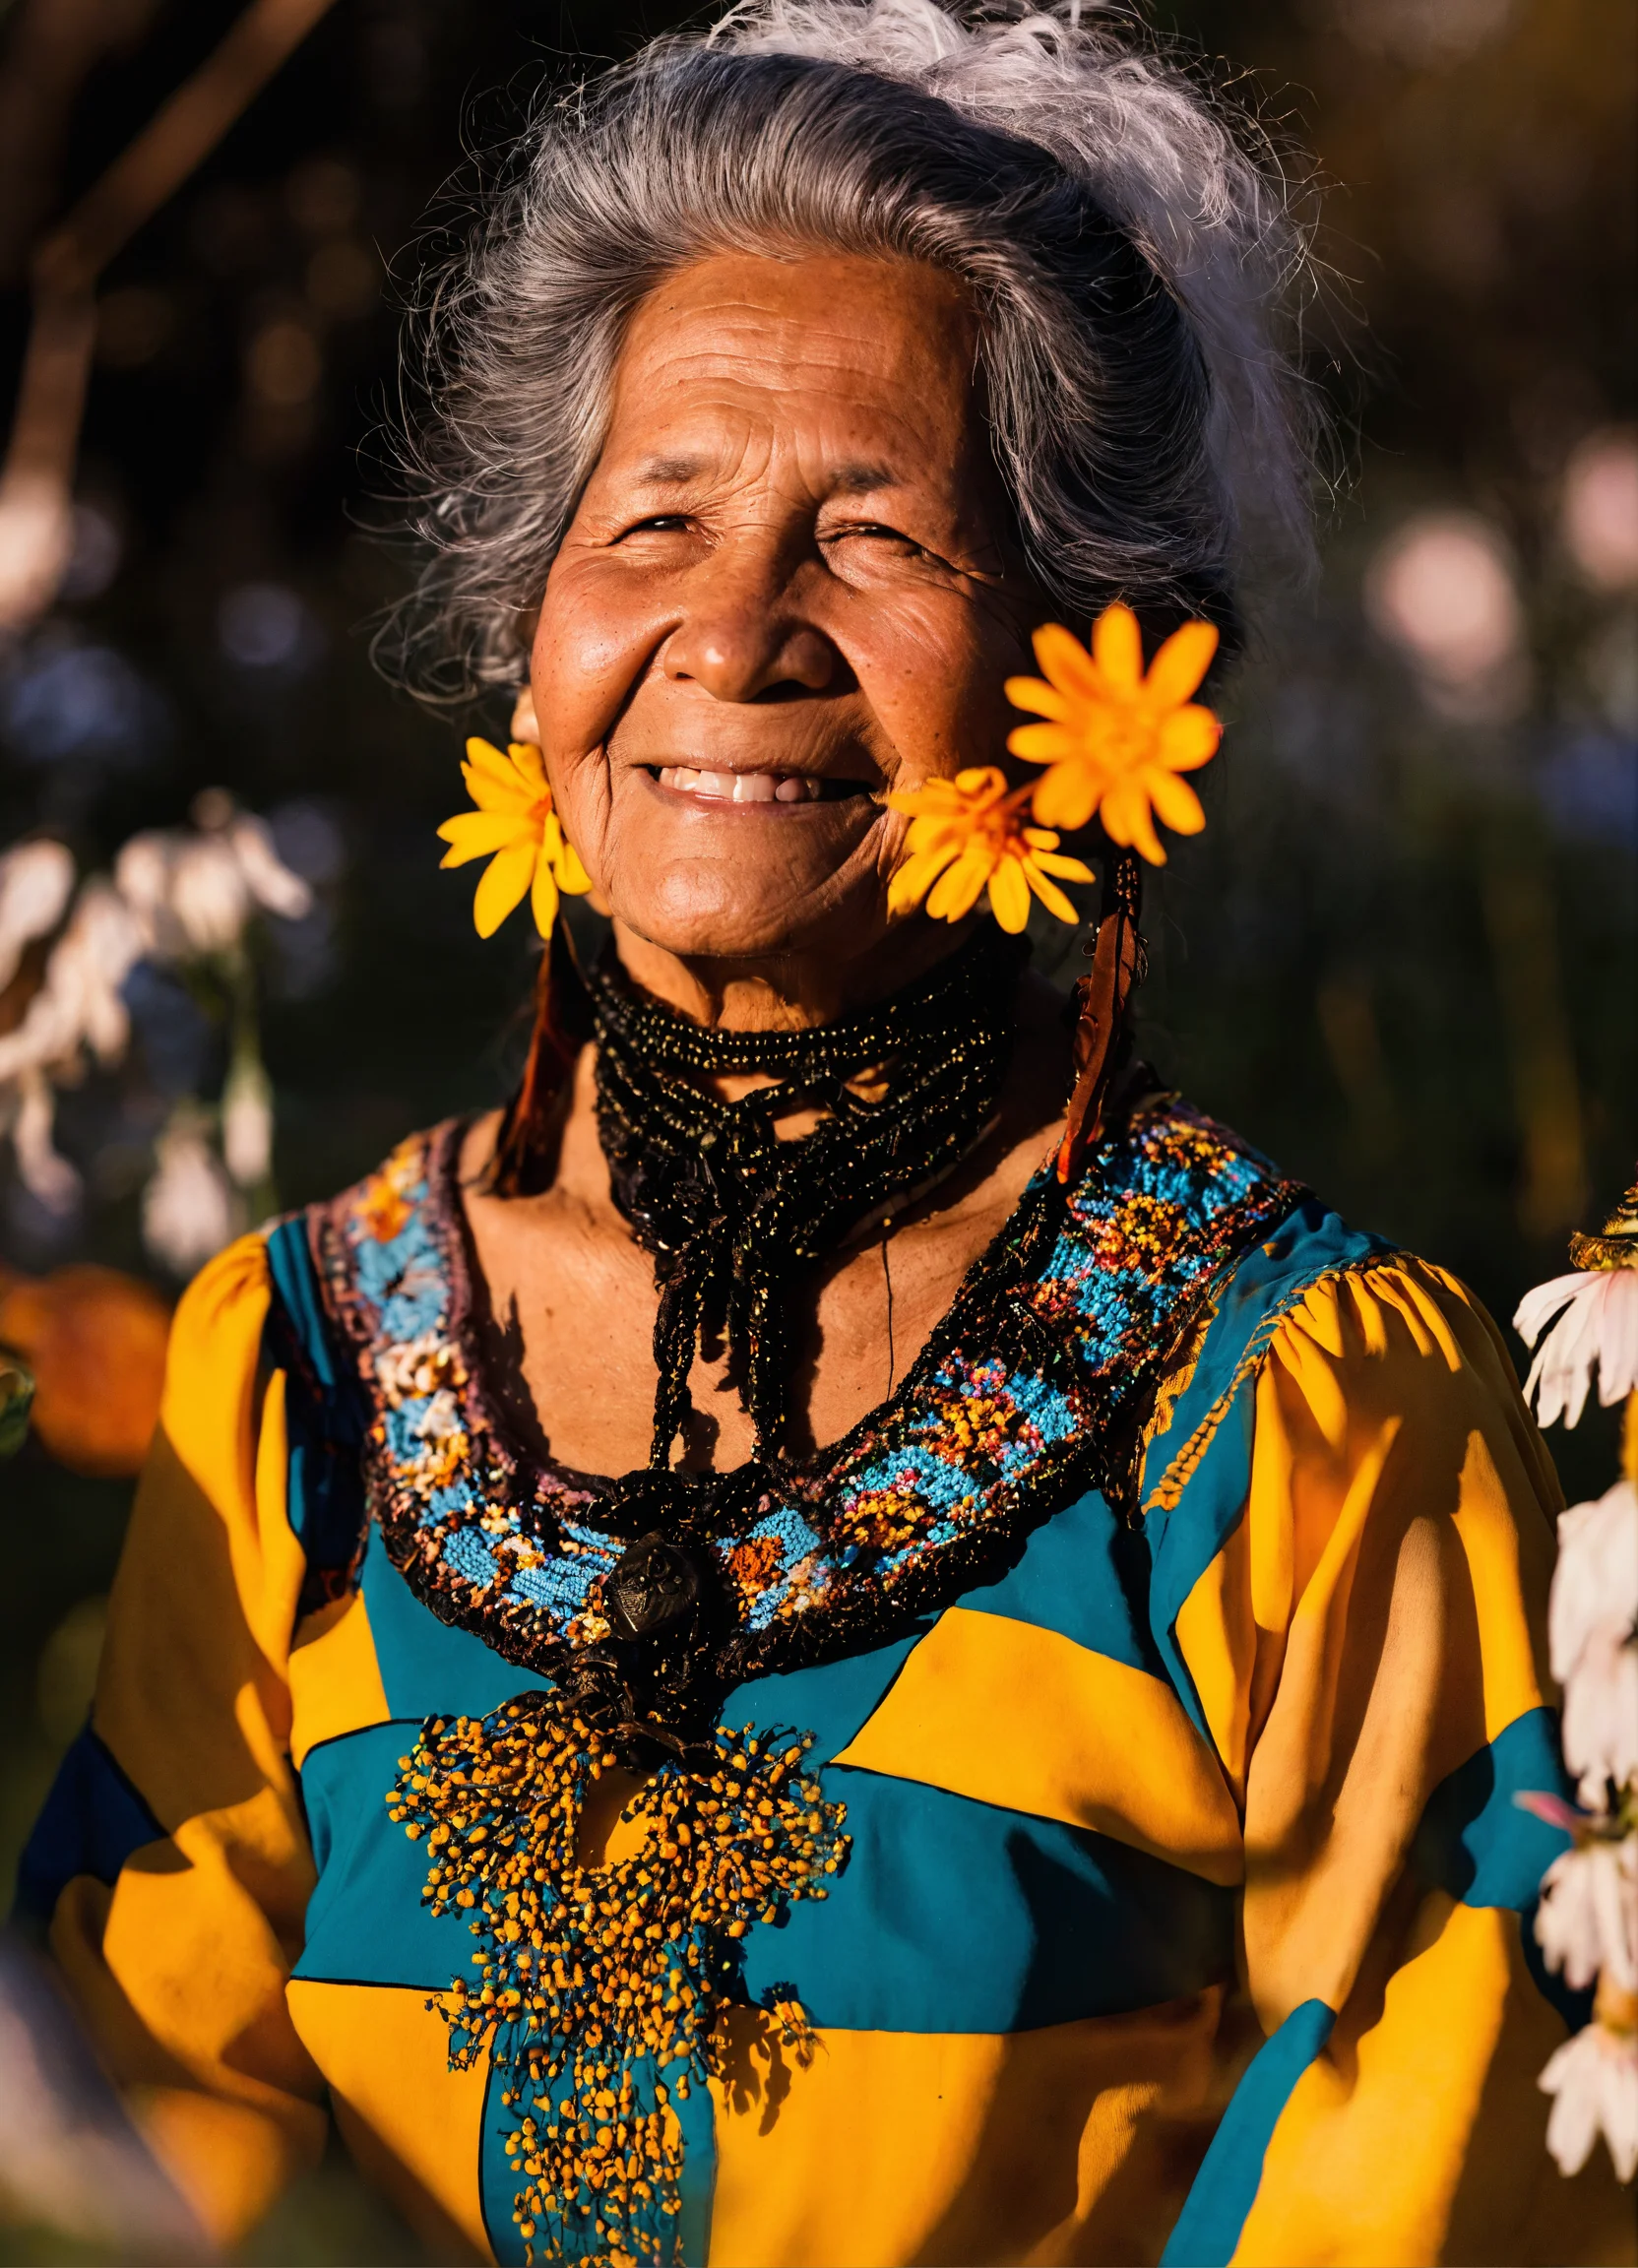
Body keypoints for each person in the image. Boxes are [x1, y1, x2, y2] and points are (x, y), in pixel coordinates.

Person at [16, 5, 1630, 2263]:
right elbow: (124, 2138)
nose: (732, 634)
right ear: (529, 630)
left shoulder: (1299, 1419)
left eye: (871, 538)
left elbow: (1425, 2159)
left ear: (1087, 666)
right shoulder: (288, 1383)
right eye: (654, 515)